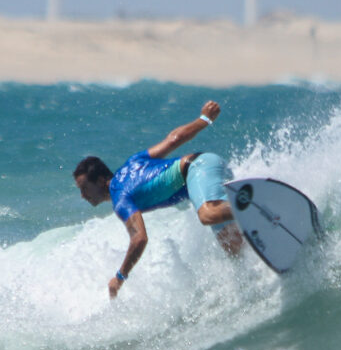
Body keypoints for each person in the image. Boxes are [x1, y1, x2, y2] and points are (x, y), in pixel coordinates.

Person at [73, 99, 244, 298]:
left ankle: (255, 202)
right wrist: (204, 119)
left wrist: (119, 277)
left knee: (207, 215)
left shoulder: (120, 199)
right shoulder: (133, 162)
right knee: (236, 251)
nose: (83, 195)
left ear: (101, 180)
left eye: (85, 188)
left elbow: (139, 239)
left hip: (196, 168)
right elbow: (173, 139)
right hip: (205, 169)